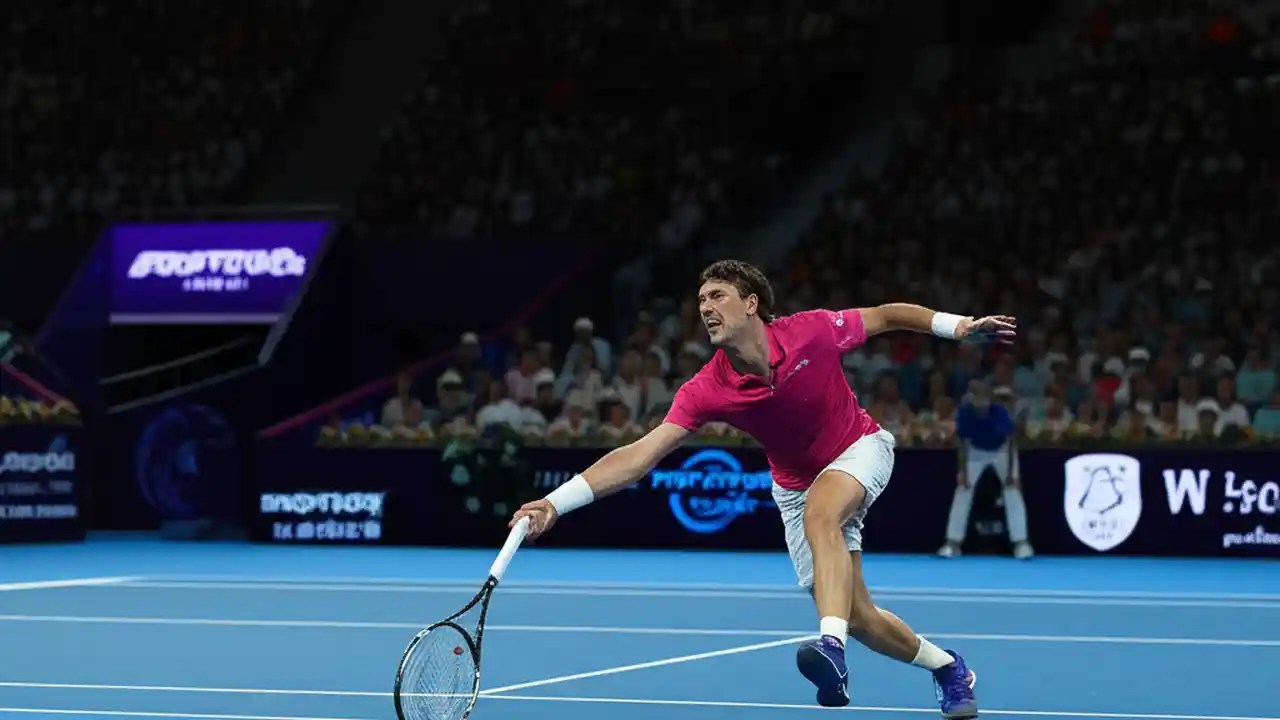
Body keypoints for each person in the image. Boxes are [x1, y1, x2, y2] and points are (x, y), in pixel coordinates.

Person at [511, 259, 1015, 718]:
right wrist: (555, 502)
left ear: (751, 303)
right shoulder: (708, 387)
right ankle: (949, 667)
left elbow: (884, 315)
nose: (705, 307)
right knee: (860, 615)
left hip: (858, 448)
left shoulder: (813, 332)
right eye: (701, 301)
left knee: (825, 516)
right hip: (792, 486)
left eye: (717, 296)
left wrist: (957, 327)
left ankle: (831, 649)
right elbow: (640, 456)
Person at [937, 380, 1035, 560]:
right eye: (974, 394)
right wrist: (963, 473)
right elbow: (963, 444)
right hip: (975, 452)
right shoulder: (965, 413)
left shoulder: (999, 413)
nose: (978, 398)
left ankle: (1021, 542)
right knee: (963, 489)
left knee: (1012, 490)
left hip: (1002, 450)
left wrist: (1012, 473)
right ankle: (953, 542)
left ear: (989, 397)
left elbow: (1011, 440)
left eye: (982, 394)